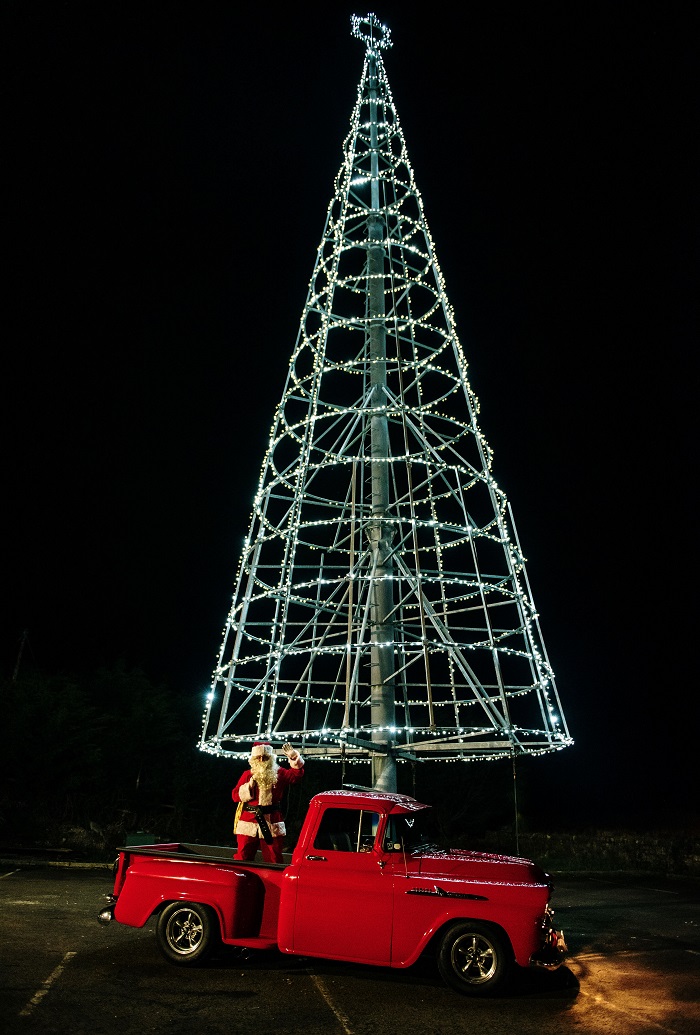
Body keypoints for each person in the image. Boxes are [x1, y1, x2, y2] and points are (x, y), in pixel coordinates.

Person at [232, 741, 304, 862]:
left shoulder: (279, 773)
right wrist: (249, 786)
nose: (261, 759)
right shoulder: (247, 775)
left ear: (270, 758)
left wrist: (294, 758)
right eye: (258, 757)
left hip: (272, 822)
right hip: (249, 821)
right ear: (254, 758)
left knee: (274, 859)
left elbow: (296, 775)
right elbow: (235, 796)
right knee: (242, 857)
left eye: (265, 757)